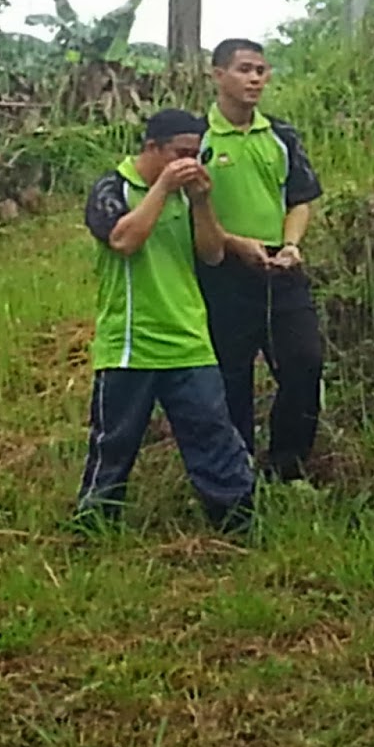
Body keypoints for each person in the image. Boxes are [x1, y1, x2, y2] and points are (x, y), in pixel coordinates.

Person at [74, 108, 254, 533]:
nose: (189, 162)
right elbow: (124, 239)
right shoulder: (112, 186)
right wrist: (162, 187)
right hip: (130, 344)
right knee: (114, 442)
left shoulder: (188, 194)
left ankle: (238, 522)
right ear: (152, 148)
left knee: (213, 435)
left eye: (197, 153)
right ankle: (95, 524)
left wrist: (202, 201)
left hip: (189, 339)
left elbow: (211, 253)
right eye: (180, 153)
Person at [197, 38, 325, 482]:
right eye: (244, 69)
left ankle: (288, 466)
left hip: (280, 267)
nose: (255, 79)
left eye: (261, 70)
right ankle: (237, 470)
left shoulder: (281, 135)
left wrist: (290, 245)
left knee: (305, 362)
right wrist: (235, 243)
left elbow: (301, 198)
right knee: (230, 376)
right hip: (223, 270)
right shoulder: (198, 140)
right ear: (217, 75)